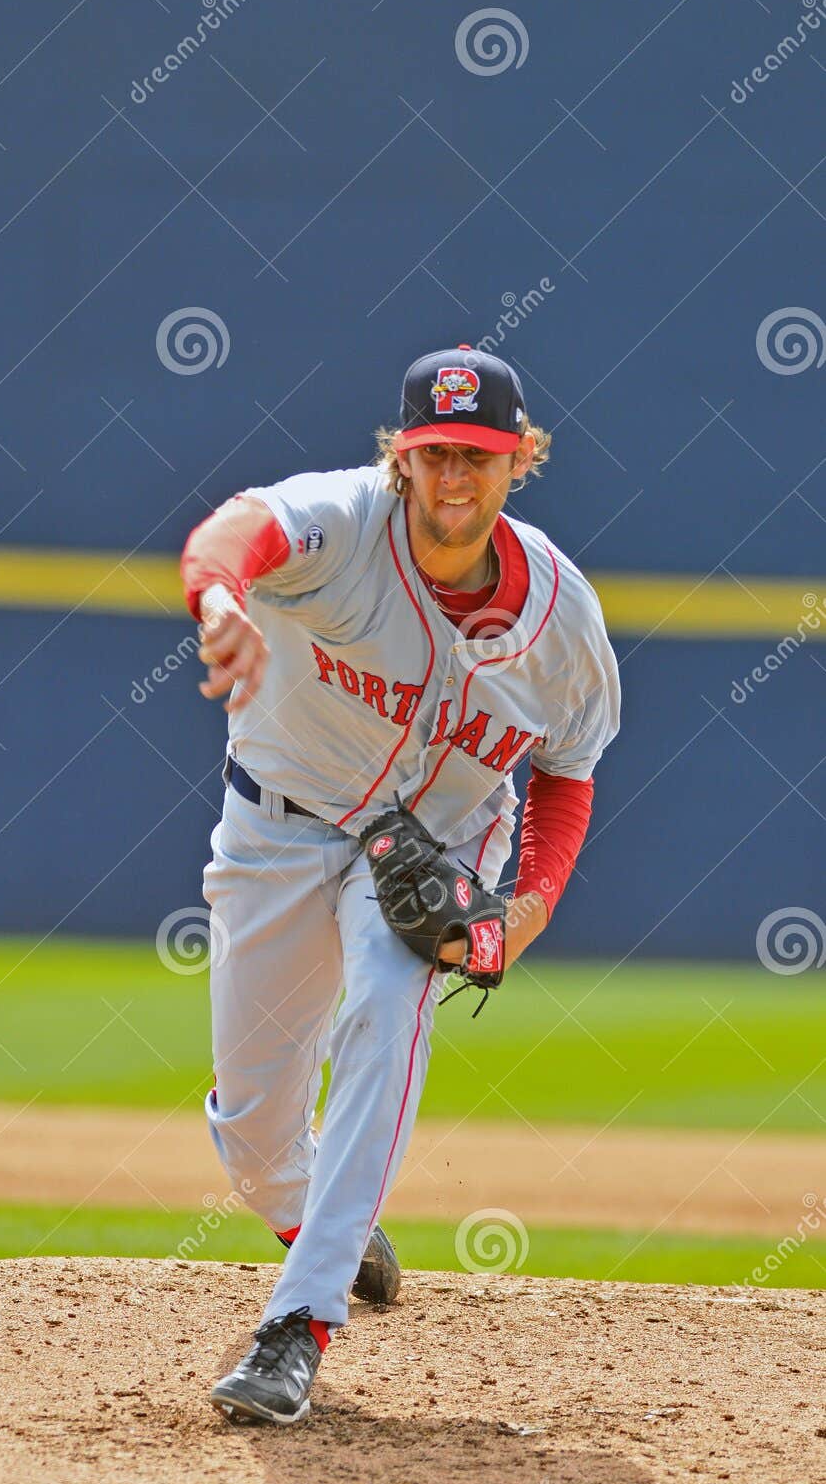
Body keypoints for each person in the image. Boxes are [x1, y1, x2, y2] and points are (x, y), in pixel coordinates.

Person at [180, 345, 620, 1424]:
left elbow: (567, 771)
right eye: (433, 455)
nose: (454, 479)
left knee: (385, 1005)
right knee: (251, 1135)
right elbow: (234, 533)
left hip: (435, 846)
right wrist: (221, 599)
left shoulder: (561, 616)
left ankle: (299, 1324)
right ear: (401, 460)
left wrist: (530, 906)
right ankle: (320, 1216)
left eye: (478, 456)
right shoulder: (342, 523)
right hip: (277, 828)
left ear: (519, 462)